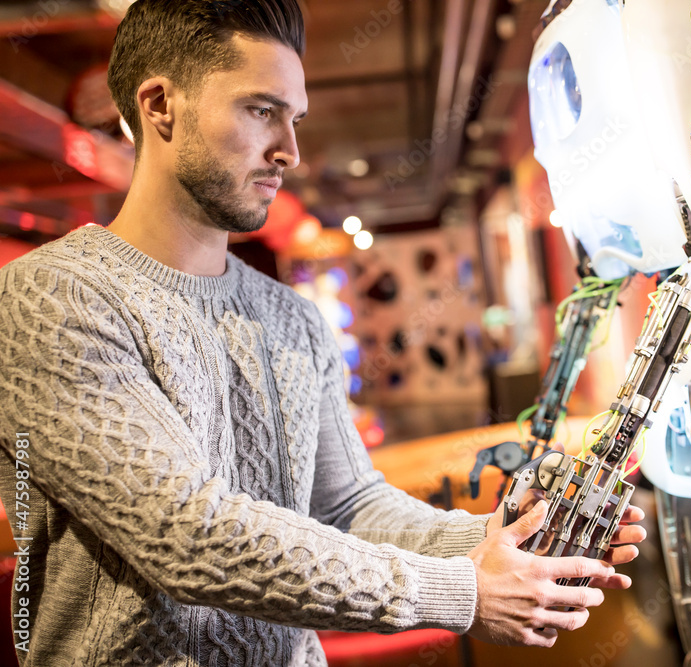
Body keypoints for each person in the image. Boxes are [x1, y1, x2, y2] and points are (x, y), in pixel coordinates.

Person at [0, 1, 645, 665]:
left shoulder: (294, 319)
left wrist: (503, 534)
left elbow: (348, 506)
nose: (290, 149)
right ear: (161, 104)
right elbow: (184, 534)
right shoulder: (53, 298)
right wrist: (462, 592)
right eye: (260, 110)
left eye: (294, 118)